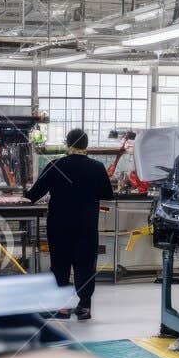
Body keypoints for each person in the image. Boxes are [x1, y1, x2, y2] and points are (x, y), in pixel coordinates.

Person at [25, 129, 114, 321]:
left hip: (59, 224)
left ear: (67, 143)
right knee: (86, 265)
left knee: (60, 264)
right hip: (86, 224)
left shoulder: (55, 165)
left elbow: (33, 195)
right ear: (86, 145)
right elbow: (108, 194)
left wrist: (24, 192)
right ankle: (84, 308)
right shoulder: (97, 167)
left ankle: (62, 309)